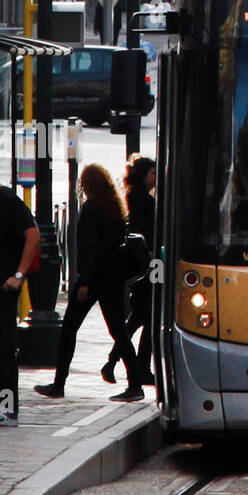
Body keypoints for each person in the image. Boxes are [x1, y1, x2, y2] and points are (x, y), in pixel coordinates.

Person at [35, 163, 144, 403]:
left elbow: (89, 249)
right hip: (113, 279)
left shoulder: (91, 209)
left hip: (93, 279)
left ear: (87, 185)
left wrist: (84, 282)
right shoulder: (115, 208)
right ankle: (135, 384)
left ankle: (59, 383)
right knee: (118, 330)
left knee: (69, 330)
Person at [101, 155, 155, 386]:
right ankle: (139, 367)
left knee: (140, 316)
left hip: (139, 265)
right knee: (147, 316)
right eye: (152, 173)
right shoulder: (143, 199)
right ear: (143, 175)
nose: (155, 178)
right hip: (147, 265)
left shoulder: (132, 196)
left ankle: (115, 362)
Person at [0, 185, 40, 428]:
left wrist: (18, 275)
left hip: (4, 287)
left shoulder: (5, 199)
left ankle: (7, 410)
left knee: (3, 347)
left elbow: (33, 235)